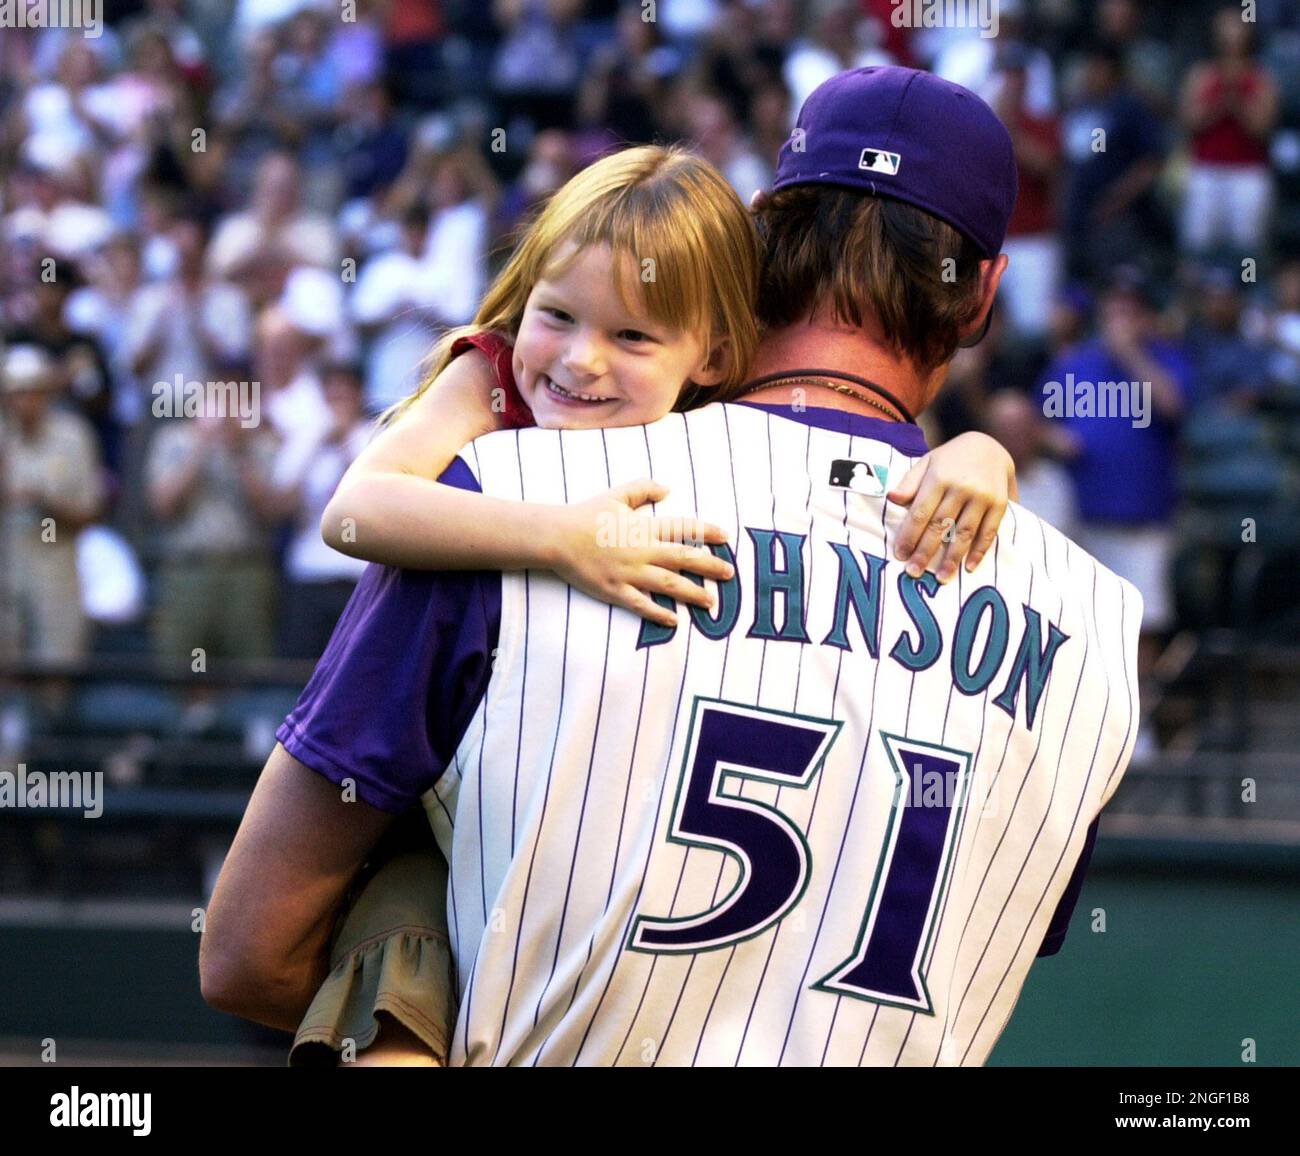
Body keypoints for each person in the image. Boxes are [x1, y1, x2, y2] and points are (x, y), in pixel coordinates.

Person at [202, 70, 1142, 1067]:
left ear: (759, 239)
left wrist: (412, 954)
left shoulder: (508, 493)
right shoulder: (1092, 620)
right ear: (985, 289)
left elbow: (249, 954)